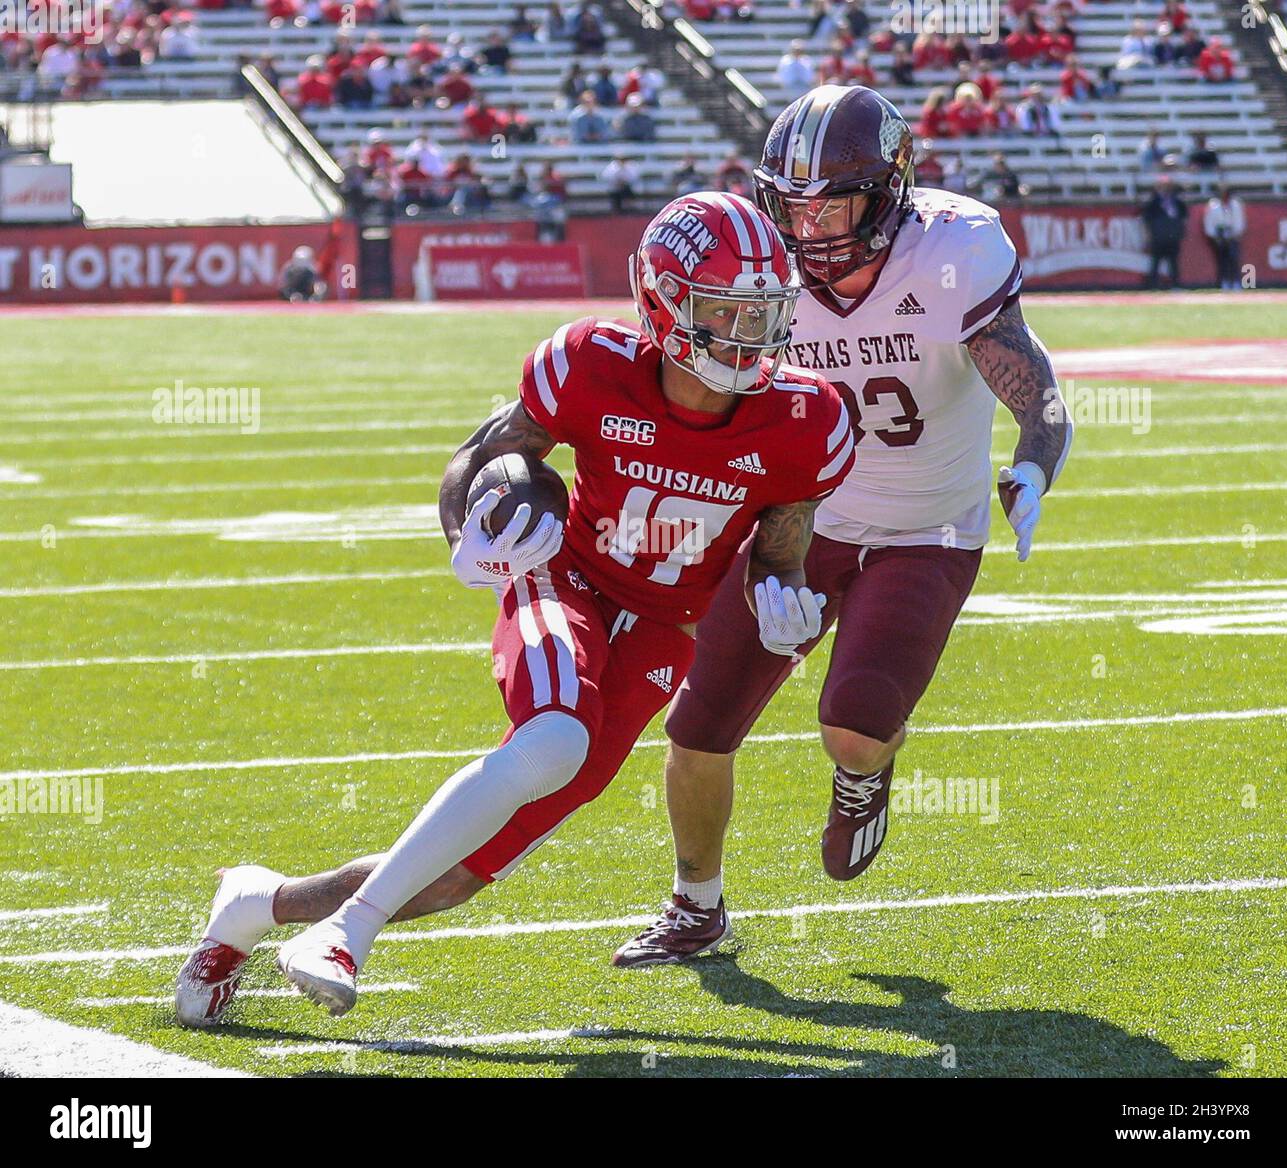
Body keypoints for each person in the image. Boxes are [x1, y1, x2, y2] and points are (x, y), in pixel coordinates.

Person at [174, 192, 856, 1024]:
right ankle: (348, 931)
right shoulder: (592, 362)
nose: (750, 336)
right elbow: (484, 455)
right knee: (554, 737)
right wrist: (467, 536)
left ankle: (257, 906)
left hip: (664, 632)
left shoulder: (807, 416)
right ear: (665, 301)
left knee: (456, 876)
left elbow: (780, 552)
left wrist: (780, 601)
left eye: (764, 313)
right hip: (561, 577)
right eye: (724, 311)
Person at [609, 85, 1073, 965]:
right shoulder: (761, 269)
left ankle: (865, 774)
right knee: (699, 721)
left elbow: (1035, 382)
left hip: (928, 527)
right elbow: (721, 403)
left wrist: (1035, 460)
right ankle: (695, 909)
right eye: (795, 205)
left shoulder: (953, 250)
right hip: (804, 514)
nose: (813, 226)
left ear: (890, 189)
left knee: (855, 719)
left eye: (835, 203)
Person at [1141, 172, 1189, 289]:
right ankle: (1152, 285)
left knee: (1173, 263)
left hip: (1173, 236)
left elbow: (1184, 217)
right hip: (1158, 237)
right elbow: (1146, 219)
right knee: (1155, 262)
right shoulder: (1153, 202)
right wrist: (1148, 236)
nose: (1166, 189)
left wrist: (1181, 231)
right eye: (1163, 186)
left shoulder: (1177, 201)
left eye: (1168, 186)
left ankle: (1175, 285)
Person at [1203, 185, 1245, 290]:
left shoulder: (1235, 205)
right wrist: (1214, 236)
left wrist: (1235, 234)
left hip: (1232, 235)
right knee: (1222, 261)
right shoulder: (1213, 206)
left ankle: (1235, 282)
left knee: (1234, 260)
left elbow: (1239, 222)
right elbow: (1209, 222)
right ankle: (1224, 282)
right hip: (1219, 236)